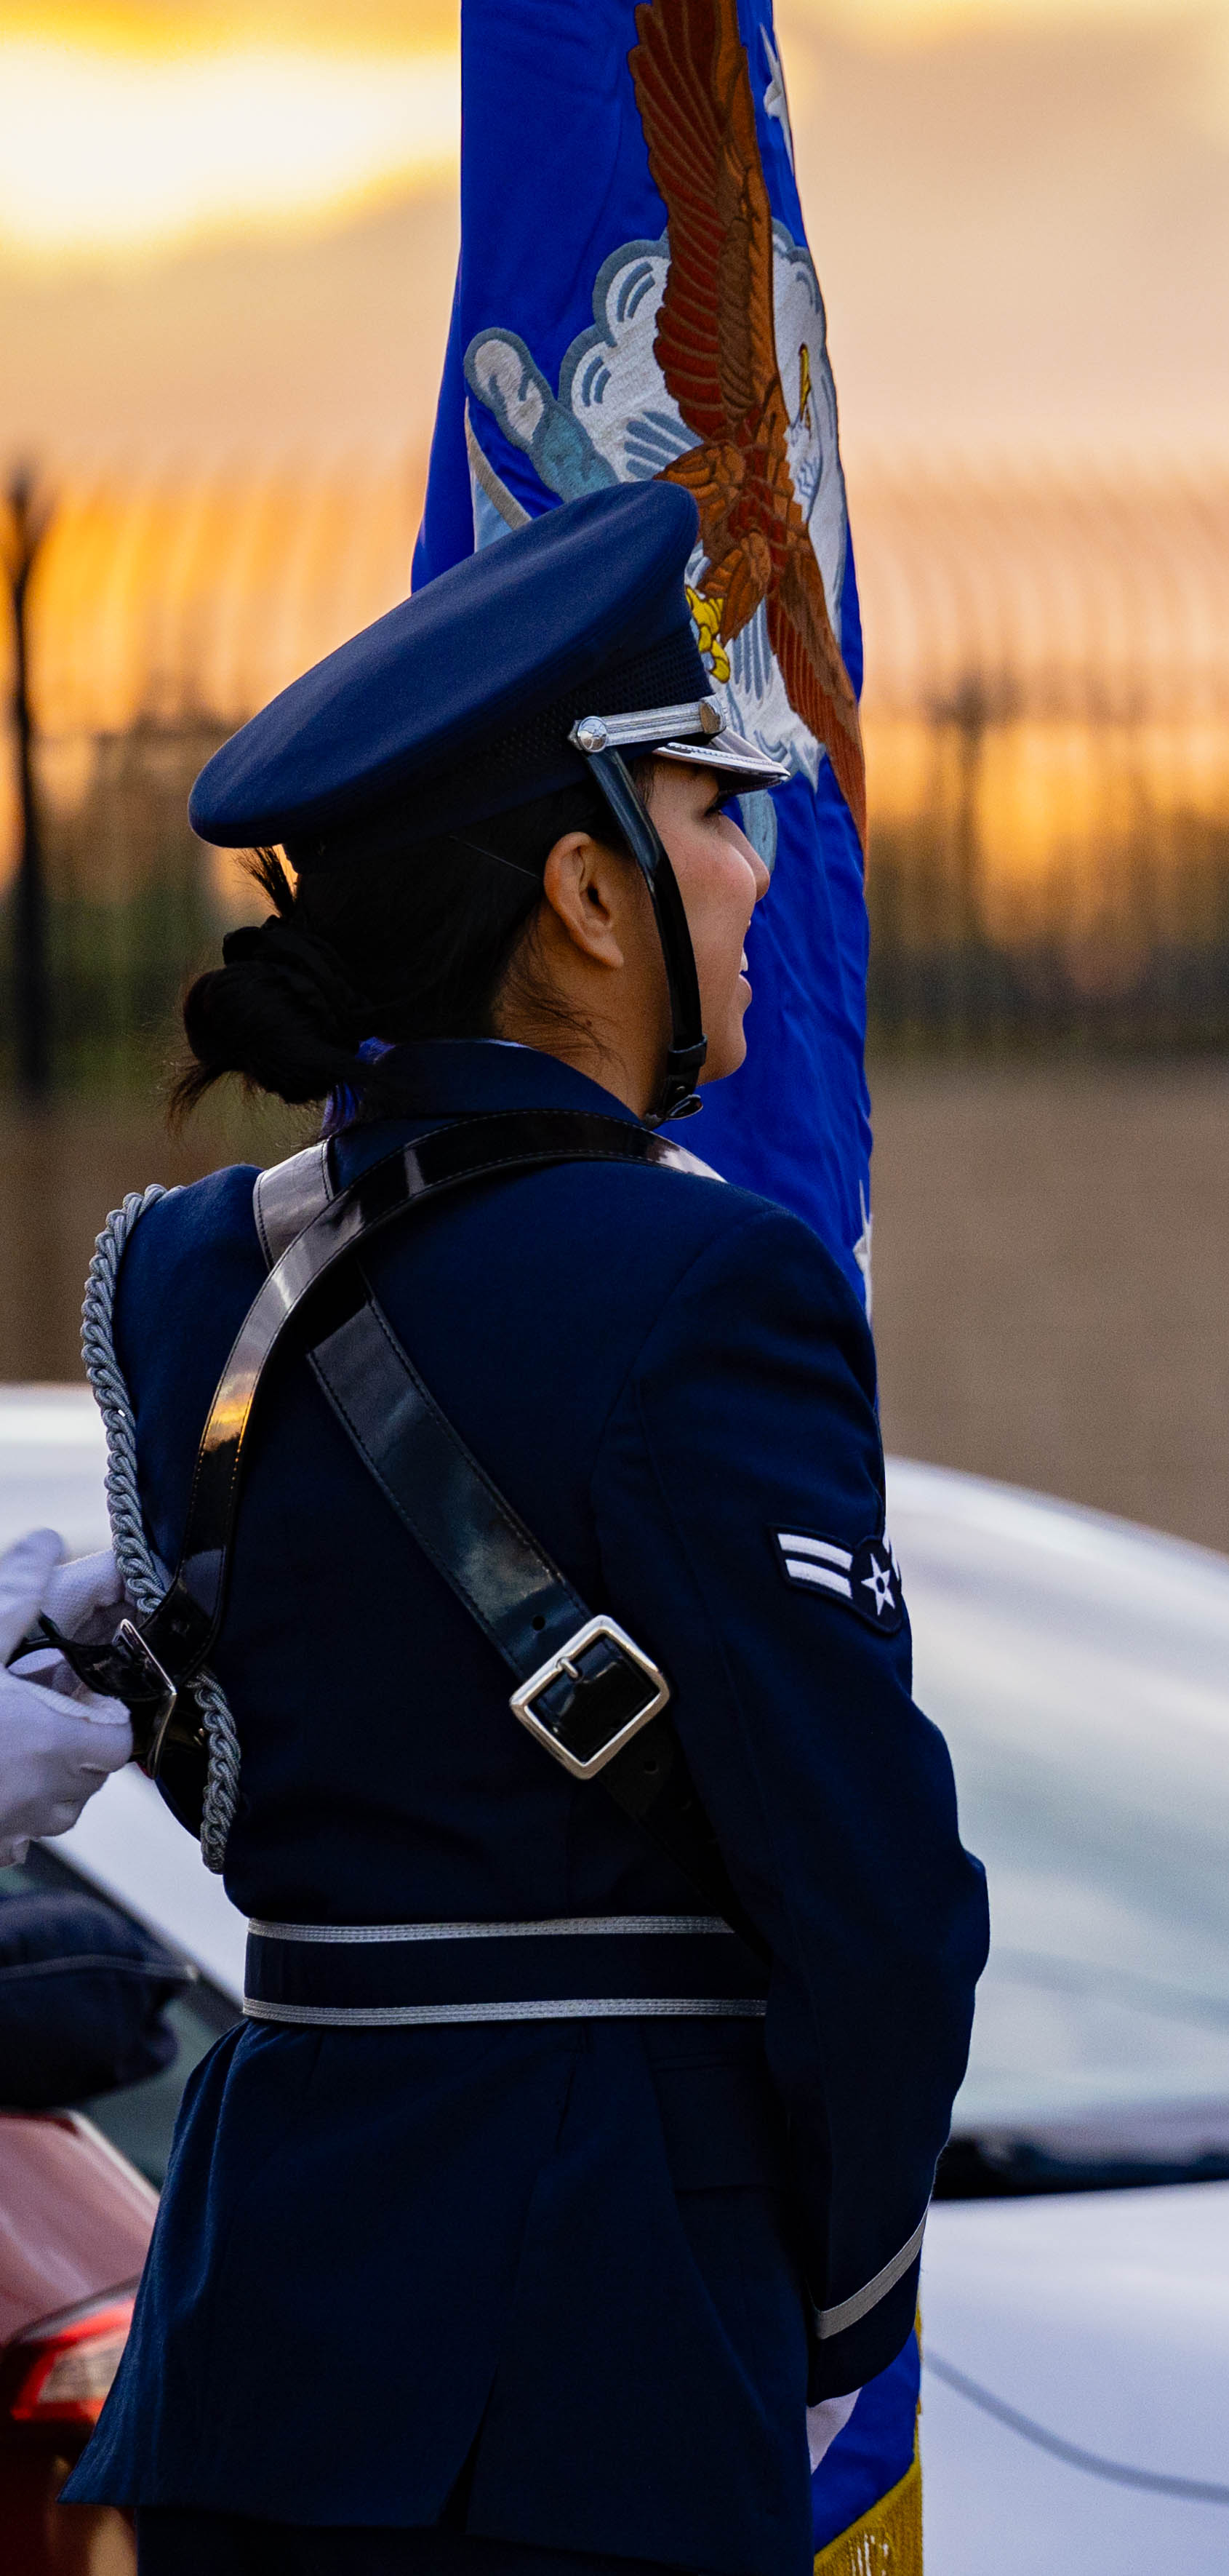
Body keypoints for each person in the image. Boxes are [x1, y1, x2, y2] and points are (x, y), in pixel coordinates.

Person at [56, 478, 989, 2575]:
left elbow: (249, 1787)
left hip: (258, 2347)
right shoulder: (706, 1286)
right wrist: (832, 2307)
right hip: (594, 2380)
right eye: (708, 819)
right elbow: (868, 1896)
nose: (752, 876)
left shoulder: (191, 1272)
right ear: (585, 894)